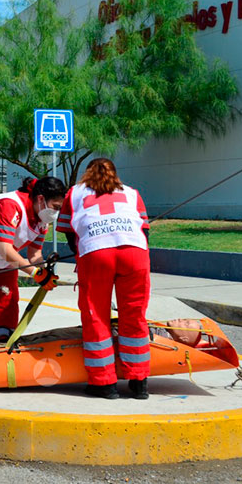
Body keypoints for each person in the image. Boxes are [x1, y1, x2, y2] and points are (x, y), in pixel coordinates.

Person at [56, 158, 151, 400]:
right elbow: (145, 230)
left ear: (87, 173)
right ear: (115, 174)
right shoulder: (131, 193)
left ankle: (104, 383)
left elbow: (68, 232)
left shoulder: (74, 193)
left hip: (96, 253)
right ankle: (139, 381)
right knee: (134, 315)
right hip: (135, 252)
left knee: (96, 316)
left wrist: (82, 257)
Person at [0, 177, 66, 342]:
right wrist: (34, 272)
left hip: (3, 251)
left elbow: (35, 254)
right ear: (41, 199)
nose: (56, 213)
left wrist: (44, 272)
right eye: (55, 207)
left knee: (8, 300)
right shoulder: (9, 205)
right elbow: (5, 250)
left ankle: (3, 341)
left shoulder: (42, 220)